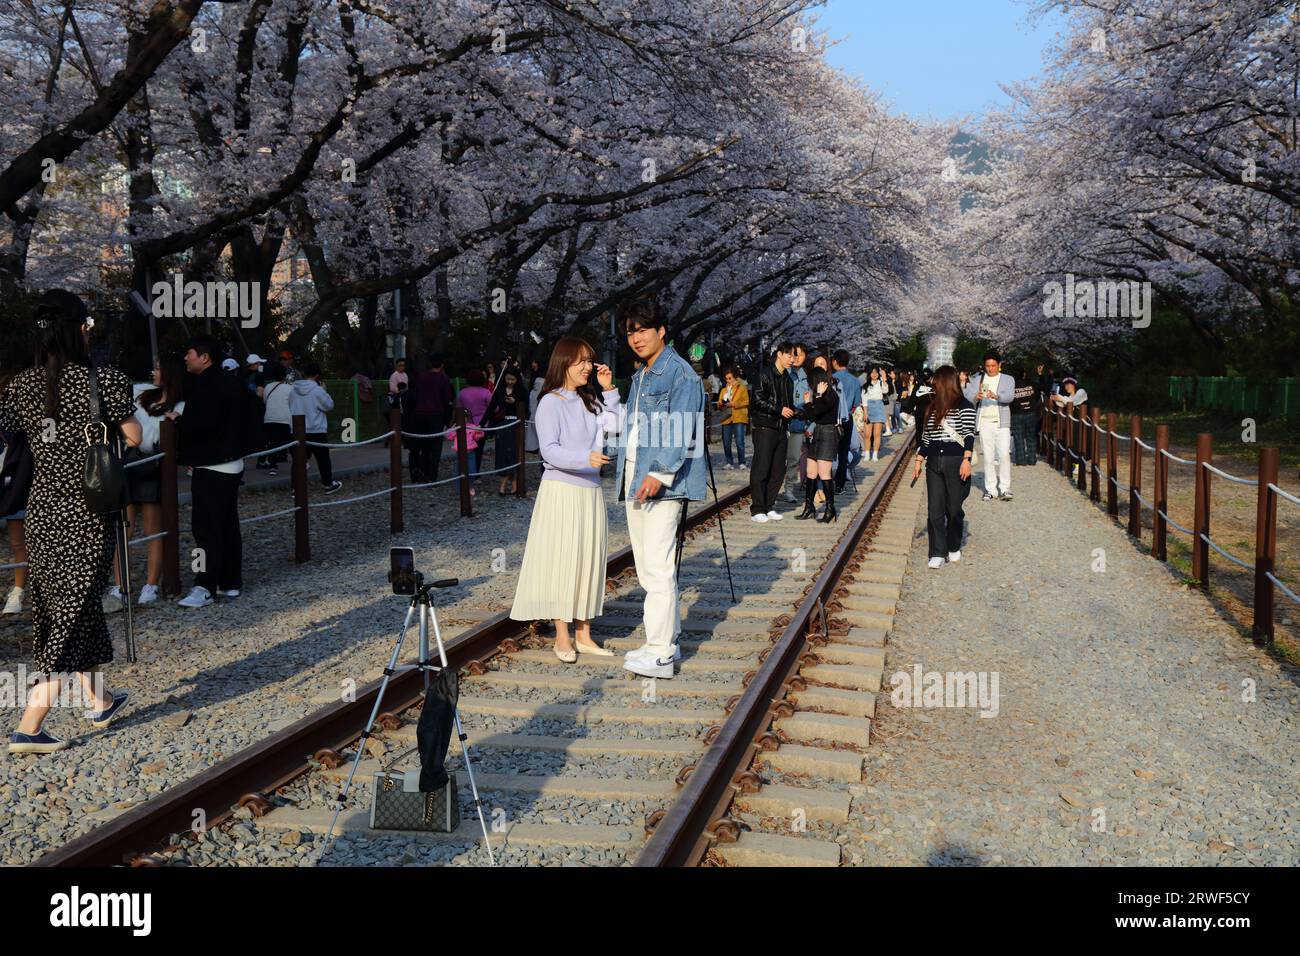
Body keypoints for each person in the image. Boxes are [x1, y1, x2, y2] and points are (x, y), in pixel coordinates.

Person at [2, 290, 140, 753]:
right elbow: (134, 438)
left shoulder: (19, 386)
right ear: (79, 329)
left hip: (42, 510)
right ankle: (31, 722)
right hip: (88, 510)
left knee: (62, 604)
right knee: (73, 607)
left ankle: (100, 700)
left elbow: (14, 435)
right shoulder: (107, 381)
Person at [613, 299, 707, 679]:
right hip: (636, 479)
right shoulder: (642, 375)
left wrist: (661, 473)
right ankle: (663, 641)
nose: (636, 338)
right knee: (648, 567)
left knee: (658, 568)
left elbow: (683, 430)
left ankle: (661, 652)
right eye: (631, 331)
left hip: (659, 484)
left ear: (662, 330)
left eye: (643, 330)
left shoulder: (680, 374)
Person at [510, 338, 620, 661]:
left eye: (589, 360)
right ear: (563, 363)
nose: (587, 367)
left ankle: (584, 634)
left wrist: (609, 390)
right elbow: (550, 450)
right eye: (580, 361)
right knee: (563, 559)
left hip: (590, 491)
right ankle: (562, 635)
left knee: (588, 559)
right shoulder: (550, 402)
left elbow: (615, 428)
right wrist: (585, 459)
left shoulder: (591, 401)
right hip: (561, 491)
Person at [106, 354, 187, 611]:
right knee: (123, 529)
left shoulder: (182, 404)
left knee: (153, 531)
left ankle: (151, 584)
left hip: (154, 465)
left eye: (159, 368)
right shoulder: (141, 394)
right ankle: (121, 585)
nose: (154, 371)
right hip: (129, 463)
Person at [174, 334, 245, 608]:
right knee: (227, 524)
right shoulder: (230, 382)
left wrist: (180, 422)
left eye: (189, 353)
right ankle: (231, 582)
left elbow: (201, 424)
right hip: (231, 463)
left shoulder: (206, 385)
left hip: (212, 464)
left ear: (204, 357)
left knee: (205, 528)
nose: (185, 358)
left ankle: (204, 584)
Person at [913, 366, 976, 570]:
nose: (933, 383)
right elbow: (926, 438)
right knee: (935, 510)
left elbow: (968, 434)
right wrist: (919, 460)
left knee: (954, 509)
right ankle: (937, 551)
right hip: (934, 463)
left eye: (936, 381)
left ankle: (953, 544)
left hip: (956, 461)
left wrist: (967, 459)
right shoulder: (932, 407)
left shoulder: (964, 405)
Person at [747, 343, 796, 523]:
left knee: (777, 469)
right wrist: (778, 409)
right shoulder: (764, 374)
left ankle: (769, 505)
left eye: (793, 356)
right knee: (761, 467)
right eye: (789, 355)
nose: (792, 360)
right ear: (779, 355)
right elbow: (757, 400)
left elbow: (788, 405)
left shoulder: (788, 379)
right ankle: (757, 508)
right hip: (765, 427)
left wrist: (797, 410)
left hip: (781, 428)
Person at [964, 349, 1015, 502]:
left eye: (993, 365)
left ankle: (1005, 488)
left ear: (999, 365)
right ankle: (990, 490)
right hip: (984, 422)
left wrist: (996, 396)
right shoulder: (977, 379)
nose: (990, 368)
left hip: (1002, 423)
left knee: (1004, 455)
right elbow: (967, 398)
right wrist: (976, 397)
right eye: (988, 365)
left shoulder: (1008, 379)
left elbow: (1010, 397)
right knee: (988, 457)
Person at [0, 371, 32, 616]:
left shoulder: (19, 416)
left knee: (20, 540)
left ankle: (18, 590)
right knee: (16, 541)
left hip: (18, 478)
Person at [795, 367, 841, 523]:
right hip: (817, 434)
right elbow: (812, 416)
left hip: (828, 434)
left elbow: (819, 412)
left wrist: (817, 397)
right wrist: (808, 403)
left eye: (811, 382)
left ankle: (830, 509)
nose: (810, 386)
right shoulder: (819, 395)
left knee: (824, 473)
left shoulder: (831, 395)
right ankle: (809, 508)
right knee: (811, 471)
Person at [290, 363, 343, 494]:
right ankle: (328, 484)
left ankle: (295, 488)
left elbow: (290, 404)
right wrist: (324, 390)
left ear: (303, 374)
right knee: (323, 459)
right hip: (316, 429)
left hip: (298, 429)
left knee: (299, 460)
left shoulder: (293, 389)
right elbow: (329, 405)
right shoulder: (318, 390)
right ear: (317, 375)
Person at [409, 354, 454, 483]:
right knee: (435, 446)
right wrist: (447, 419)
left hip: (420, 413)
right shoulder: (443, 379)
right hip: (436, 414)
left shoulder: (421, 377)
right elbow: (447, 399)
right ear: (442, 365)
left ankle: (421, 471)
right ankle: (432, 475)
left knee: (423, 444)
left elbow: (415, 394)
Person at [487, 367, 528, 494]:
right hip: (502, 425)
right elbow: (491, 408)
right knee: (503, 454)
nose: (510, 381)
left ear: (517, 379)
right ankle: (512, 482)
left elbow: (526, 410)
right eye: (508, 379)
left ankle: (505, 484)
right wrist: (482, 424)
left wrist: (515, 402)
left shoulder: (522, 391)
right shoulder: (499, 391)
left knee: (514, 454)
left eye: (513, 379)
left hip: (516, 425)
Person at [456, 369, 494, 491]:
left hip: (466, 424)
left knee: (465, 449)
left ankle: (464, 472)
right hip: (482, 425)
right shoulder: (486, 392)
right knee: (478, 450)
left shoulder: (462, 393)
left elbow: (458, 407)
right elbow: (494, 408)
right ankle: (475, 473)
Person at [781, 344, 809, 503]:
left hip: (798, 424)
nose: (796, 357)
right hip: (781, 423)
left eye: (800, 354)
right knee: (778, 458)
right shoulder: (784, 374)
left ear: (805, 356)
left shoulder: (808, 378)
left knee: (793, 459)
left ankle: (789, 489)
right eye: (794, 353)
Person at [831, 350, 862, 490]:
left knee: (829, 449)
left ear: (834, 362)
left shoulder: (830, 378)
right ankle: (840, 483)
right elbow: (856, 402)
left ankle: (824, 480)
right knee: (843, 451)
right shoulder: (855, 381)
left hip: (830, 419)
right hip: (847, 418)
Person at [261, 361, 292, 477]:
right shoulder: (289, 388)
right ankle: (301, 462)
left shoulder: (268, 387)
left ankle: (273, 467)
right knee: (290, 441)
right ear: (284, 376)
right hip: (284, 418)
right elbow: (291, 403)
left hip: (269, 418)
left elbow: (265, 401)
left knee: (272, 443)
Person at [717, 366, 749, 469]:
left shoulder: (742, 387)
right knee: (726, 442)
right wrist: (721, 403)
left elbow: (746, 402)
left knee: (739, 441)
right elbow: (718, 403)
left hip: (738, 417)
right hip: (726, 418)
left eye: (730, 378)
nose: (728, 380)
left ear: (735, 377)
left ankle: (742, 462)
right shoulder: (723, 390)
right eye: (726, 378)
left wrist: (734, 404)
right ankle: (729, 462)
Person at [1010, 367, 1041, 466]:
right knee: (1031, 437)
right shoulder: (1032, 384)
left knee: (1018, 437)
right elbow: (1039, 392)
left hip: (1017, 414)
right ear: (1024, 373)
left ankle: (1021, 460)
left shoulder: (1011, 386)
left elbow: (1009, 400)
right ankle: (1032, 459)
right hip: (1031, 412)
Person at [862, 367, 889, 461]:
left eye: (876, 372)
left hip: (879, 407)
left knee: (877, 434)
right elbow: (864, 400)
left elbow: (886, 391)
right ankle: (867, 453)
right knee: (867, 434)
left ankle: (875, 454)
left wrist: (884, 378)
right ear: (869, 374)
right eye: (872, 372)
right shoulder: (866, 385)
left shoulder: (881, 383)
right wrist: (865, 413)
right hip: (869, 408)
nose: (874, 374)